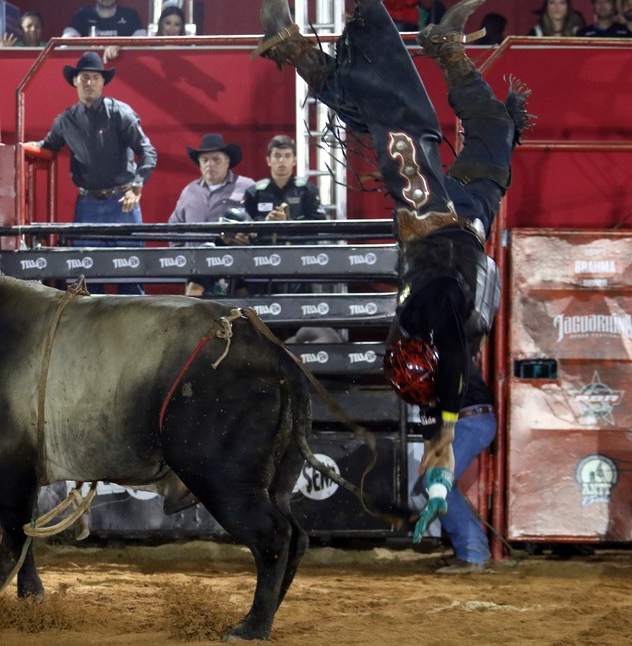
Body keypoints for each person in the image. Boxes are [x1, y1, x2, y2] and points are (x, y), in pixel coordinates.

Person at [255, 0, 531, 539]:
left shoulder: (432, 310)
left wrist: (444, 434)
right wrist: (440, 447)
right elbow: (445, 371)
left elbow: (448, 364)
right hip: (470, 215)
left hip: (431, 220)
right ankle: (446, 50)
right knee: (494, 130)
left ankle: (293, 48)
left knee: (401, 119)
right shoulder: (434, 332)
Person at [28, 51, 157, 295]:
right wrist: (23, 148)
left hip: (122, 203)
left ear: (102, 82)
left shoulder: (119, 113)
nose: (89, 82)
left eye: (94, 77)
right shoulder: (65, 120)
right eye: (84, 77)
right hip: (88, 203)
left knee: (131, 273)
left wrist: (137, 185)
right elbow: (46, 147)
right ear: (75, 81)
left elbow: (148, 151)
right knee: (86, 276)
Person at [168, 133, 255, 296]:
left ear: (227, 161)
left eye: (216, 159)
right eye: (205, 160)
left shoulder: (246, 186)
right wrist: (182, 261)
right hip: (198, 268)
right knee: (195, 308)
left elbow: (257, 225)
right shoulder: (189, 191)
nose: (210, 165)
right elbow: (174, 228)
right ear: (199, 163)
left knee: (243, 309)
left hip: (237, 268)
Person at [432, 362, 496, 573]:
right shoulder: (441, 345)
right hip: (470, 418)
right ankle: (474, 551)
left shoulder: (439, 347)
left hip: (469, 419)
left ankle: (473, 554)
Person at [243, 135, 326, 236]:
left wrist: (288, 222)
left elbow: (320, 225)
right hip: (264, 248)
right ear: (268, 160)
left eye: (287, 156)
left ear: (294, 160)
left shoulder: (307, 189)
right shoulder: (254, 191)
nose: (282, 160)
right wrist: (266, 222)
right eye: (277, 156)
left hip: (299, 248)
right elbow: (244, 226)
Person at [63, 0, 146, 63]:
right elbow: (66, 39)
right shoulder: (83, 14)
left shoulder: (130, 14)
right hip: (90, 68)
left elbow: (142, 40)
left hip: (125, 67)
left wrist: (120, 45)